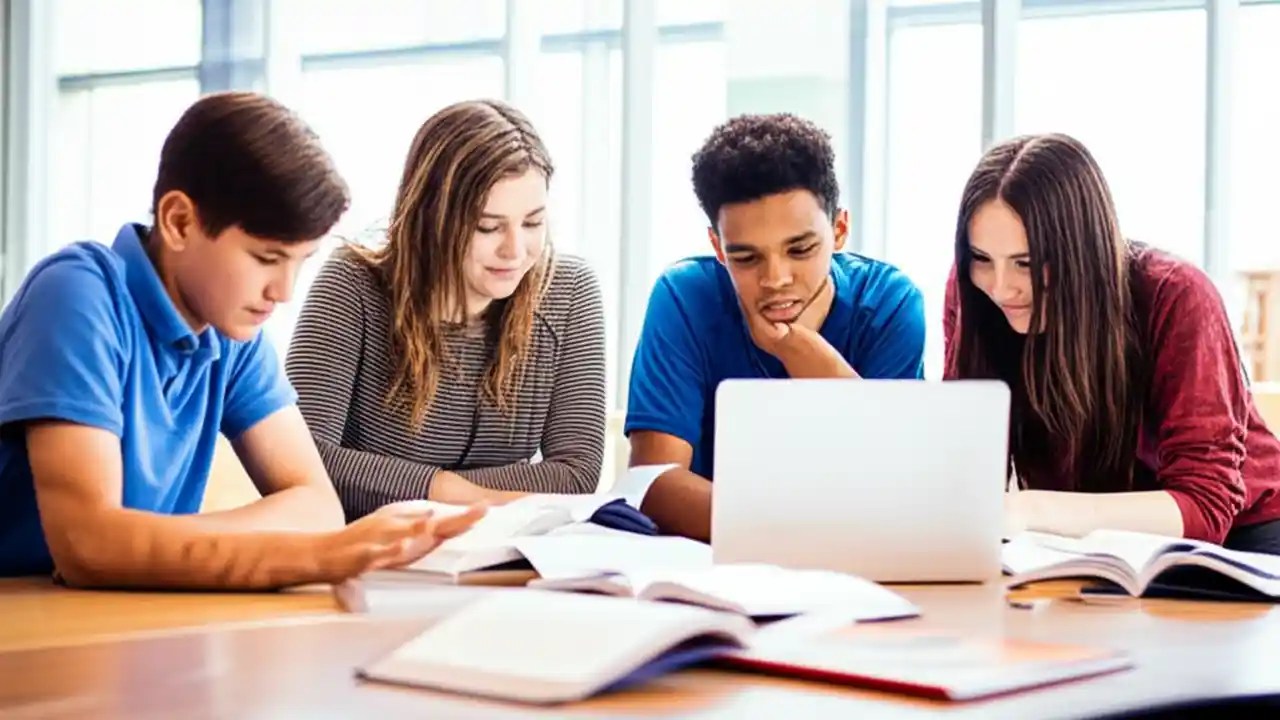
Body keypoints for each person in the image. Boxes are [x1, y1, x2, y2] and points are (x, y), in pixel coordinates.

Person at [0, 91, 484, 587]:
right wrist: (320, 557)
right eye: (266, 258)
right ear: (179, 222)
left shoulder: (230, 328)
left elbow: (317, 506)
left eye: (301, 261)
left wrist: (149, 544)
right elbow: (90, 545)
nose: (284, 291)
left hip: (110, 613)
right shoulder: (77, 295)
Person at [944, 132, 1280, 553]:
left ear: (1080, 253)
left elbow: (1205, 508)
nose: (1001, 287)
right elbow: (968, 467)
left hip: (1241, 537)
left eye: (1025, 264)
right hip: (1084, 540)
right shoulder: (974, 298)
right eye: (981, 259)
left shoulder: (1176, 295)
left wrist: (1029, 511)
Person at [285, 99, 612, 521]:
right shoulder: (352, 283)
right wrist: (452, 492)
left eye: (533, 223)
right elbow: (303, 460)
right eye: (487, 227)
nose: (514, 251)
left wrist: (408, 487)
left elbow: (575, 473)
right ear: (431, 217)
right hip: (372, 553)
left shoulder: (568, 290)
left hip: (506, 561)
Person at [625, 113, 927, 542]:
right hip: (713, 564)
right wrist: (808, 534)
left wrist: (802, 354)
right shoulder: (684, 297)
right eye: (746, 258)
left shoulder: (890, 303)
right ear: (718, 247)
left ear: (839, 230)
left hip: (858, 565)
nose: (775, 278)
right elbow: (653, 484)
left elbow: (902, 485)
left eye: (800, 249)